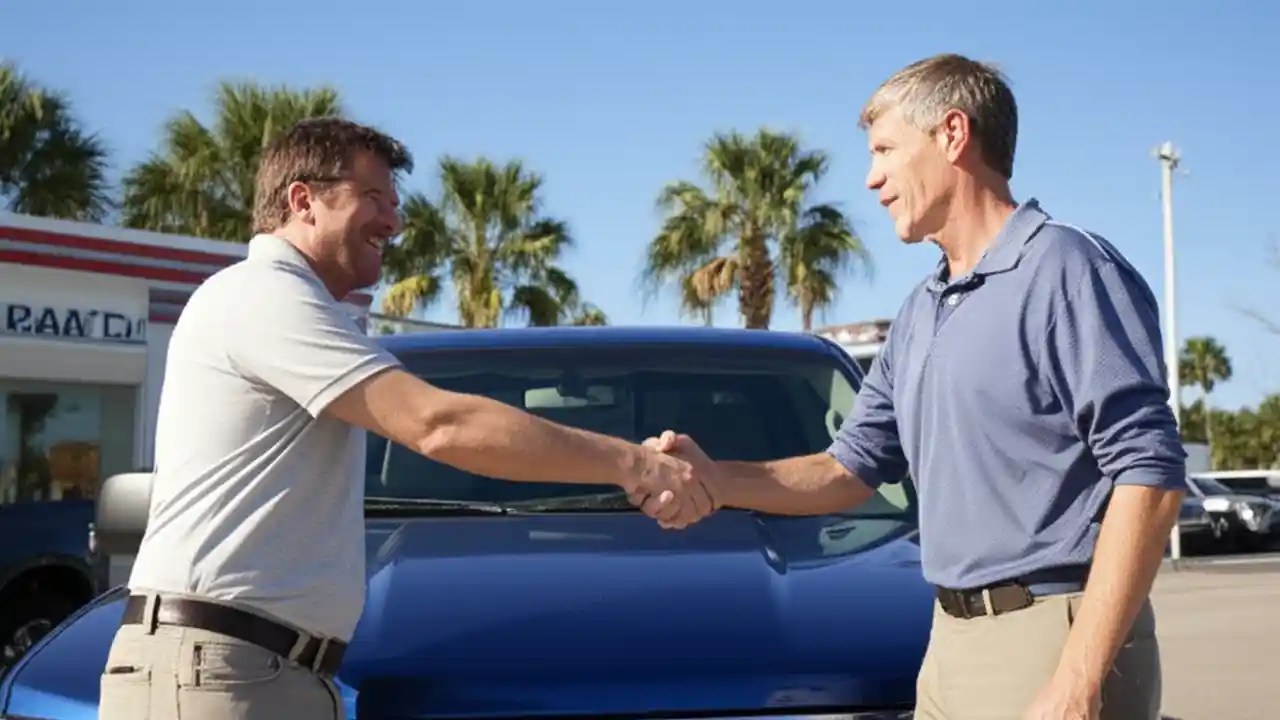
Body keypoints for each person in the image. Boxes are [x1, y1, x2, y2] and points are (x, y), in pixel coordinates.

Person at [98, 117, 714, 720]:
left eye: (393, 202)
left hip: (260, 671)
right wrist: (634, 463)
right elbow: (439, 425)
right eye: (372, 198)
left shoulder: (308, 315)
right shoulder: (263, 296)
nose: (392, 221)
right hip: (216, 675)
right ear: (302, 201)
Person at [640, 53, 1186, 720]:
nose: (872, 179)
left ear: (952, 134)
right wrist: (719, 479)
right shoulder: (922, 310)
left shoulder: (1066, 269)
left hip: (1051, 636)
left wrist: (1076, 680)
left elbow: (1151, 475)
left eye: (885, 150)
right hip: (947, 643)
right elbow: (847, 470)